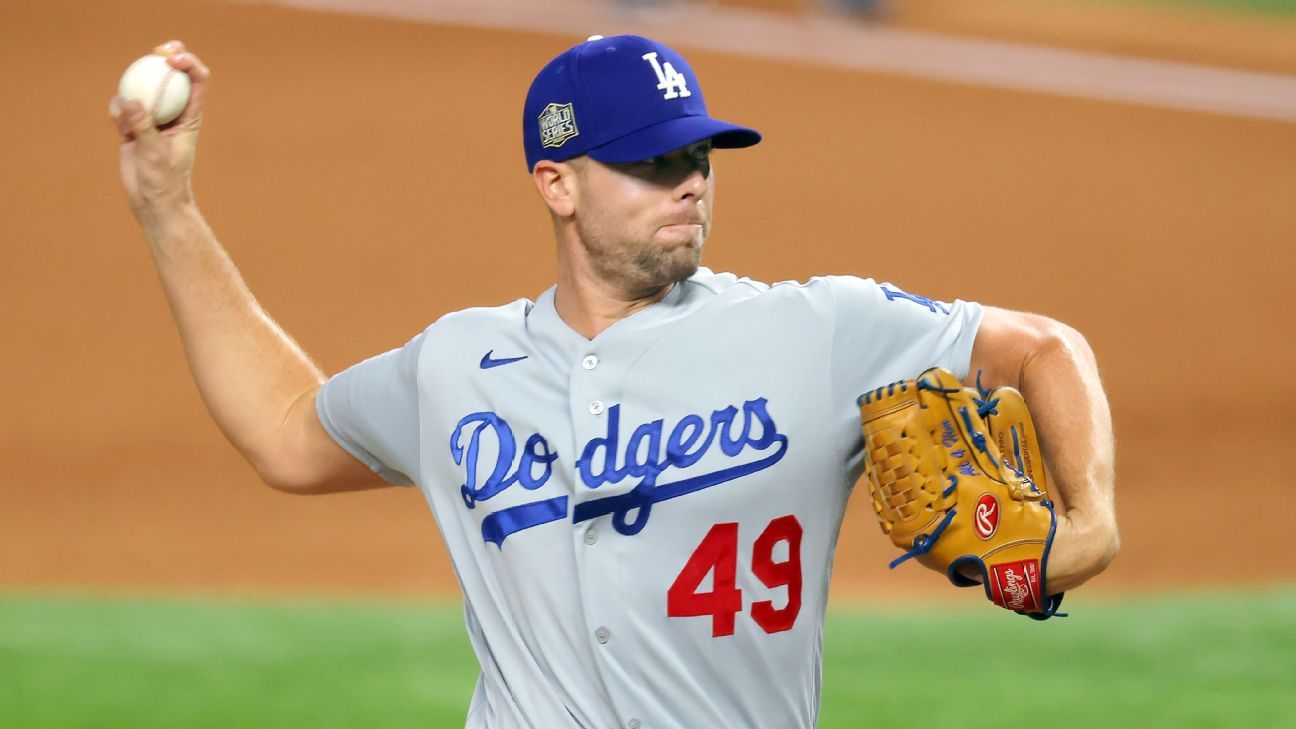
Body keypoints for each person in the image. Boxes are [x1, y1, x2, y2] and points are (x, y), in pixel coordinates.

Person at [111, 35, 1118, 729]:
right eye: (649, 161)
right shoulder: (461, 364)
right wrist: (168, 206)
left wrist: (1090, 523)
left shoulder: (820, 330)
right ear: (557, 181)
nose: (689, 180)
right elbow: (287, 432)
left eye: (699, 155)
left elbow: (1040, 347)